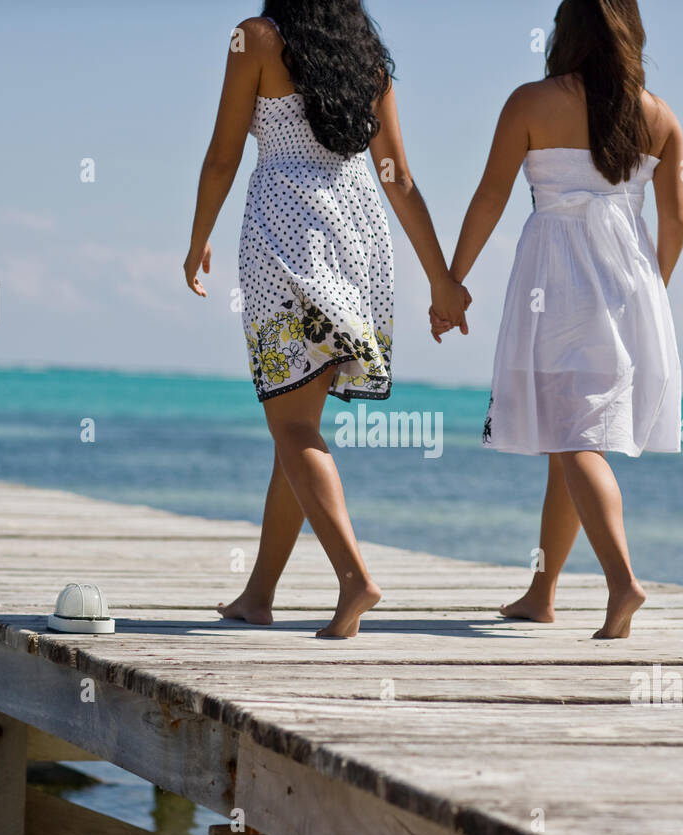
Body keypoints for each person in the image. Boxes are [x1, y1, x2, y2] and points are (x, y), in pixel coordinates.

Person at [184, 1, 469, 637]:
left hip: (287, 233)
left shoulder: (255, 39)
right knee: (299, 422)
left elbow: (222, 155)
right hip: (357, 232)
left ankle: (354, 579)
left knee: (289, 425)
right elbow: (397, 175)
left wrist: (198, 235)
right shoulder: (366, 57)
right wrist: (440, 279)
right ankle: (259, 595)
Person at [434, 0, 683, 639]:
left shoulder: (530, 101)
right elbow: (677, 222)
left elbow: (490, 195)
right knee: (570, 432)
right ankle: (542, 591)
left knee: (575, 436)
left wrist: (452, 281)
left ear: (565, 31)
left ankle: (622, 580)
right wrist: (652, 293)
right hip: (628, 280)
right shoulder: (659, 116)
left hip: (558, 279)